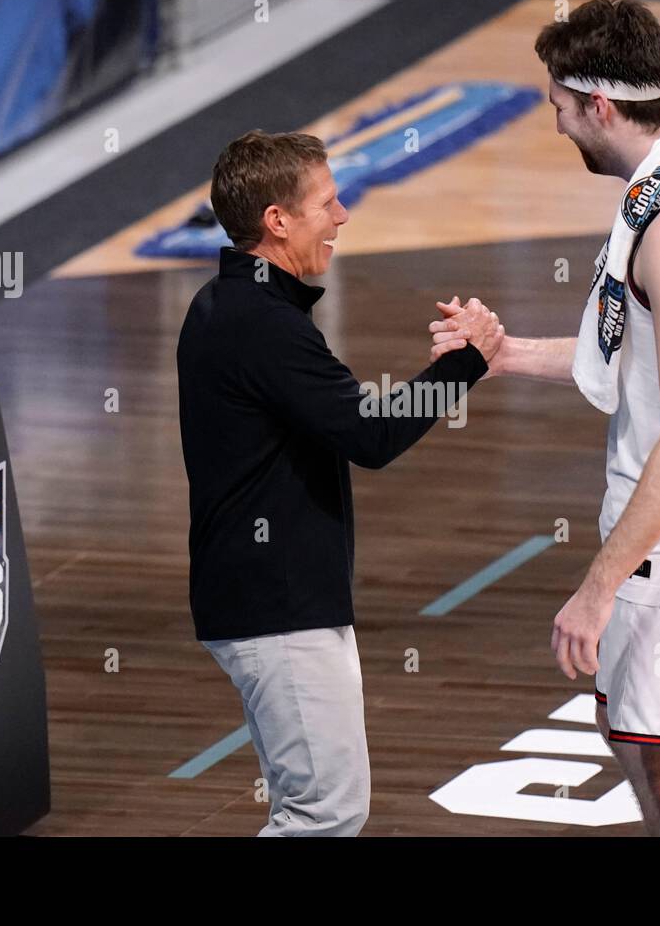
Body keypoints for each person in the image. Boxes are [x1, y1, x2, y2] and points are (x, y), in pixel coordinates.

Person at [431, 0, 660, 836]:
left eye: (558, 106)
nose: (555, 126)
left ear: (599, 103)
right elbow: (642, 360)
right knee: (638, 738)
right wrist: (508, 352)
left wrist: (599, 588)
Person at [177, 130, 502, 836]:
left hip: (268, 598)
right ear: (277, 220)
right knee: (323, 815)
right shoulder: (262, 325)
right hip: (278, 606)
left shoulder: (232, 307)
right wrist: (466, 362)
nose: (344, 215)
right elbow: (370, 436)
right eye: (328, 202)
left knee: (310, 809)